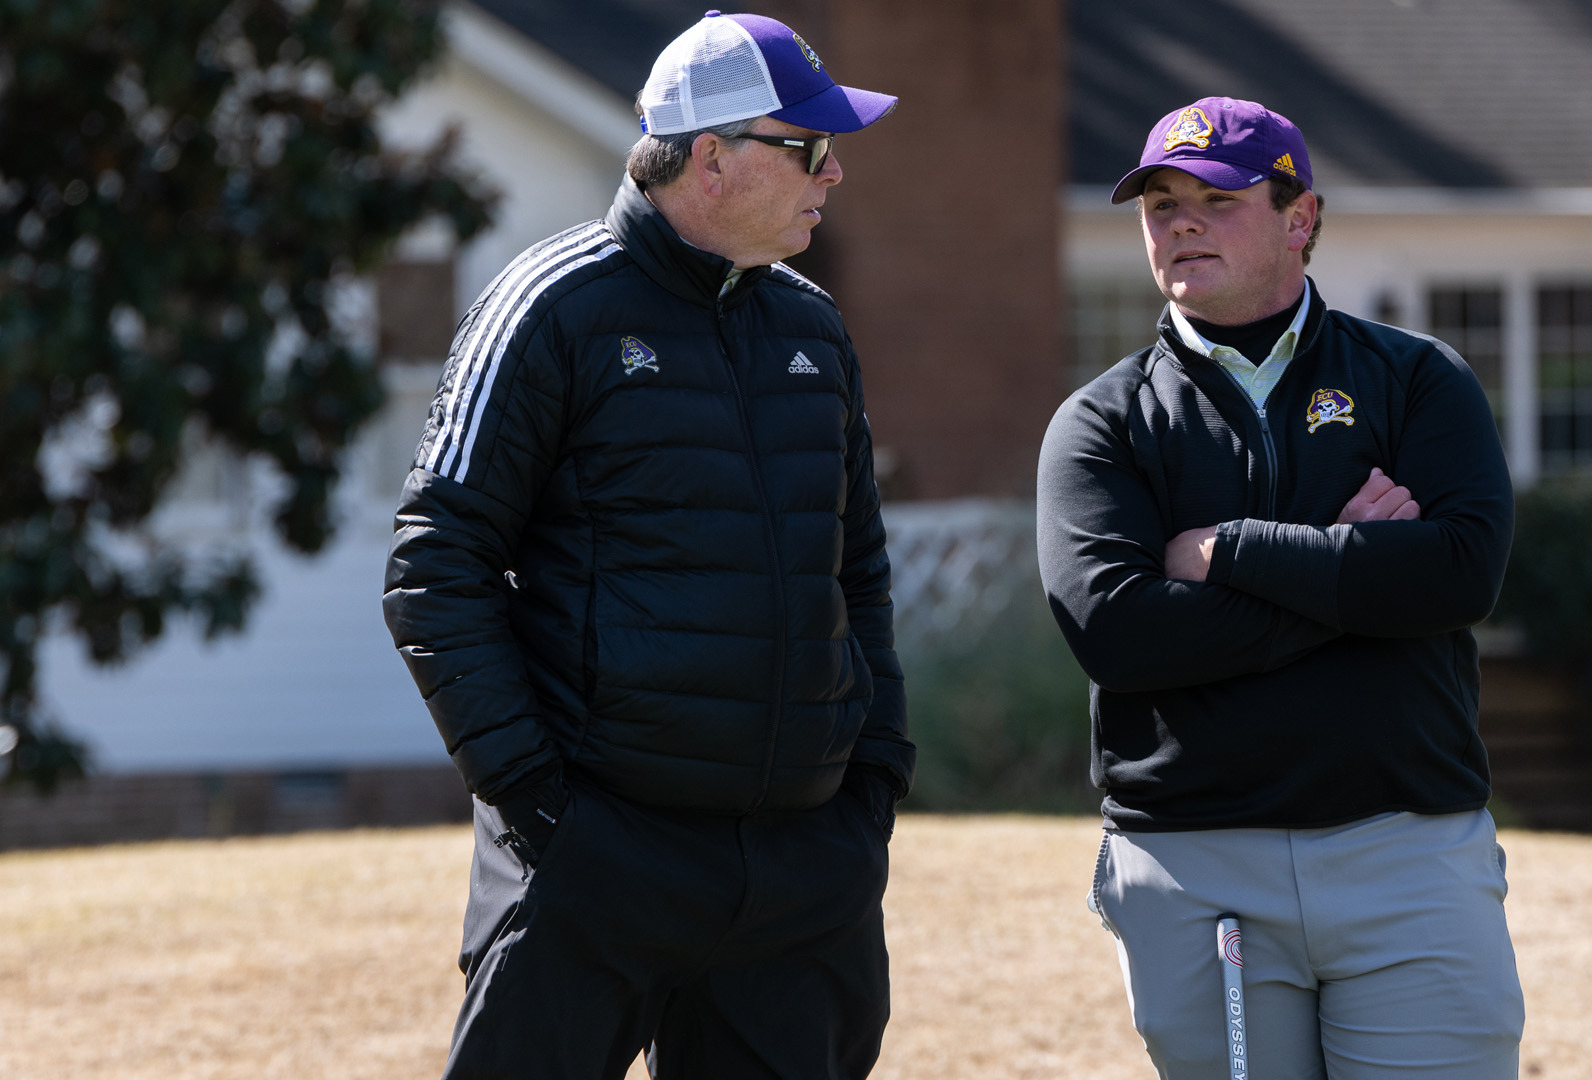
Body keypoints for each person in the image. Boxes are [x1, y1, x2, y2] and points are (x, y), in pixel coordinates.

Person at [381, 12, 912, 1079]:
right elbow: (435, 563)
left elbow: (855, 572)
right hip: (596, 857)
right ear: (710, 158)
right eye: (808, 146)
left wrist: (870, 790)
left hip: (801, 875)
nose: (834, 172)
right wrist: (540, 807)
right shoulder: (550, 308)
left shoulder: (814, 328)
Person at [1036, 96, 1524, 1079]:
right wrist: (1352, 567)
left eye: (1216, 199)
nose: (1180, 224)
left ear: (1301, 217)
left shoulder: (1417, 380)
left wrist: (1232, 550)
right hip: (1195, 865)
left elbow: (1459, 574)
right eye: (1160, 205)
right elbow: (1120, 635)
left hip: (1408, 849)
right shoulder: (1103, 421)